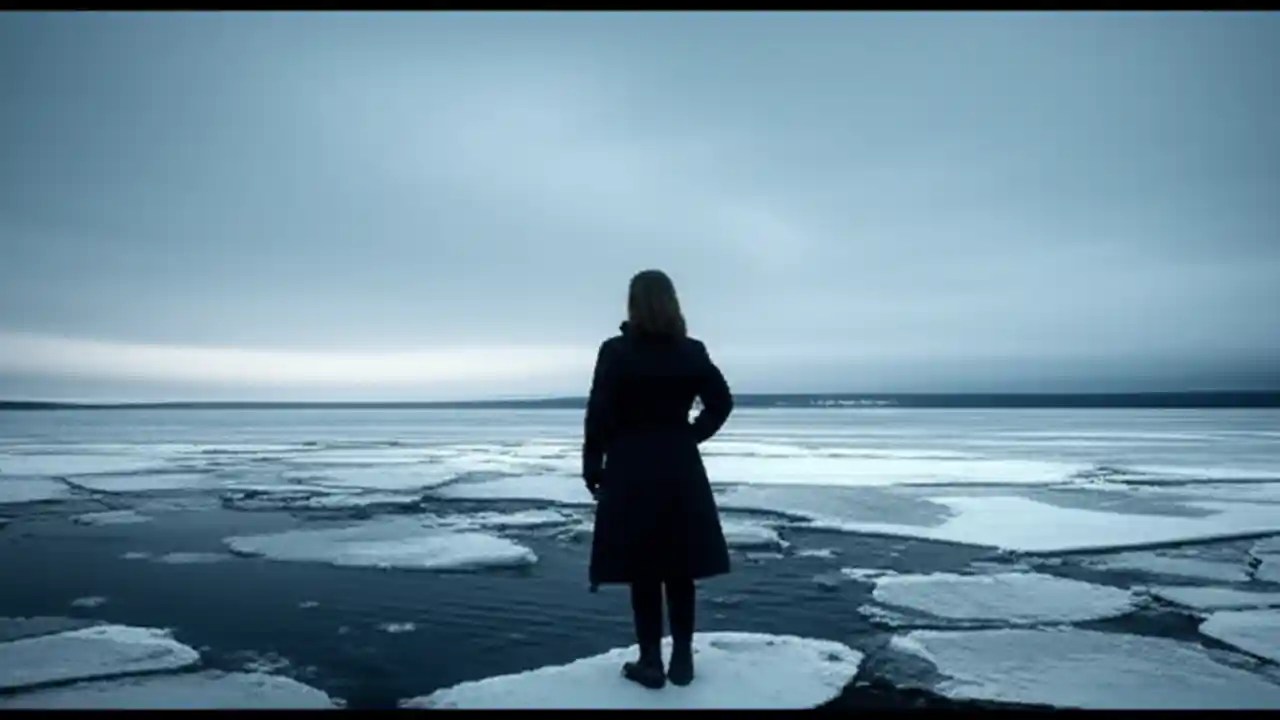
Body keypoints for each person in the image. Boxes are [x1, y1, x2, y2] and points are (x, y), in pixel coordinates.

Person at [582, 269, 734, 690]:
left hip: (631, 464)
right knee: (680, 564)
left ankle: (651, 661)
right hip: (678, 464)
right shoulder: (691, 351)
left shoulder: (616, 351)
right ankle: (682, 659)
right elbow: (721, 403)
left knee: (644, 566)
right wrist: (689, 436)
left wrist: (593, 464)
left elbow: (599, 411)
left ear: (633, 303)